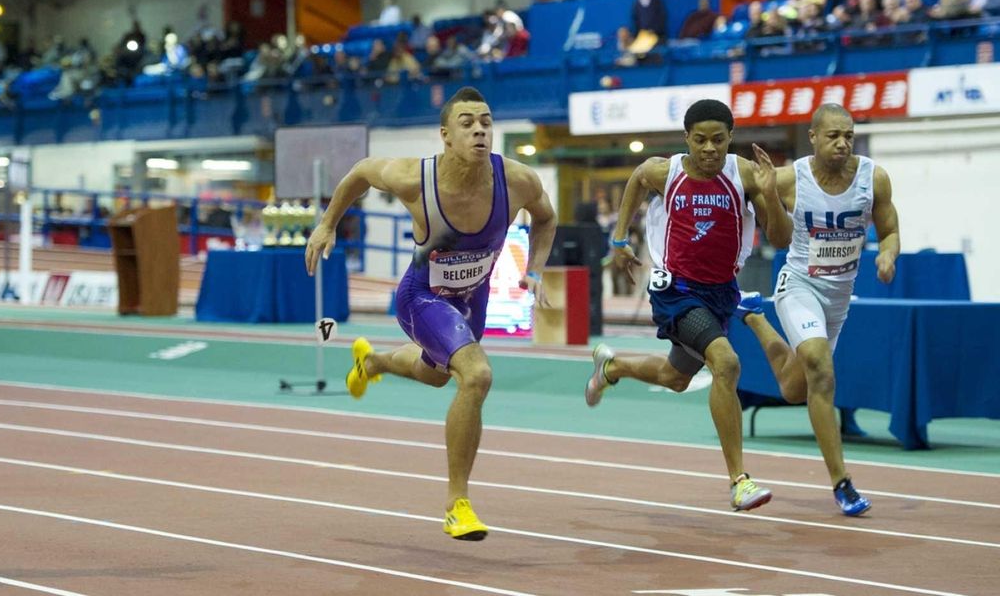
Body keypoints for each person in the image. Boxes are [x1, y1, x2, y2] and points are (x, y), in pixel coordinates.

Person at [305, 87, 555, 541]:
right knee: (475, 375)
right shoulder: (413, 179)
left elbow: (546, 217)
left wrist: (534, 270)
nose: (479, 129)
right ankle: (457, 504)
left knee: (440, 375)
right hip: (422, 297)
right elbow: (361, 173)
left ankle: (374, 361)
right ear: (445, 135)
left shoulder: (517, 180)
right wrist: (327, 223)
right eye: (467, 123)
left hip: (472, 300)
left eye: (486, 121)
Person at [584, 99, 791, 511]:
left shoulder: (745, 175)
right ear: (687, 139)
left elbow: (781, 239)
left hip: (720, 293)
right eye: (700, 140)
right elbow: (639, 178)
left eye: (718, 140)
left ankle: (613, 367)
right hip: (675, 290)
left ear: (731, 139)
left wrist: (769, 195)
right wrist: (620, 239)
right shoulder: (668, 171)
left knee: (675, 377)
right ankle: (739, 481)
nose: (710, 149)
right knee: (726, 363)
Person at [736, 103, 899, 516]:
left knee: (796, 388)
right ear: (813, 137)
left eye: (849, 135)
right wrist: (769, 193)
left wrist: (887, 256)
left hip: (839, 297)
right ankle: (842, 482)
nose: (843, 143)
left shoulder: (873, 177)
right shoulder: (793, 178)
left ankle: (755, 319)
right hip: (800, 286)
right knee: (820, 367)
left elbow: (891, 228)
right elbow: (775, 235)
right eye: (833, 136)